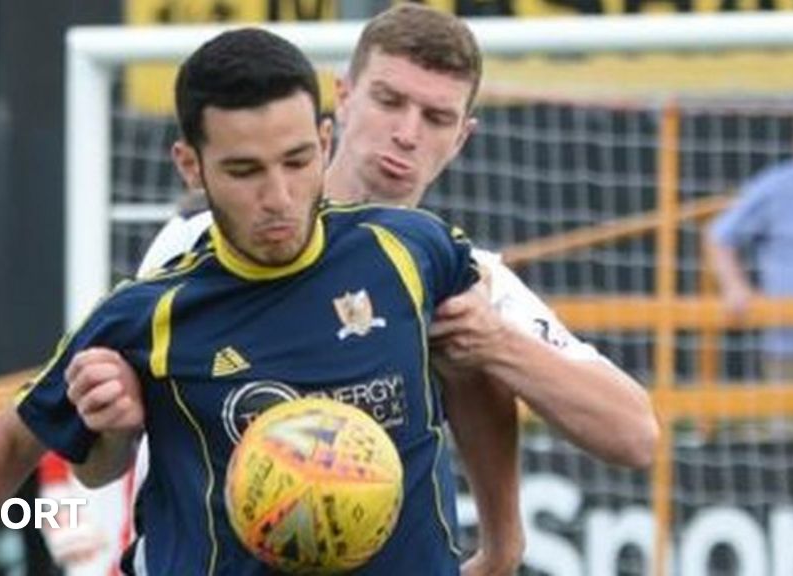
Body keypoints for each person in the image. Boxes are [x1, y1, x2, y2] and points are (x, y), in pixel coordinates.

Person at [55, 5, 659, 576]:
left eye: (436, 117)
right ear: (341, 98)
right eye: (388, 100)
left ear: (462, 137)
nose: (405, 133)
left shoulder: (458, 277)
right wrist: (109, 426)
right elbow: (99, 461)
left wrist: (495, 343)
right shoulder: (198, 240)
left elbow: (634, 436)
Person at [0, 26, 493, 575]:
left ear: (325, 138)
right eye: (245, 170)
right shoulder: (150, 313)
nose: (278, 196)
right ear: (190, 166)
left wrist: (504, 536)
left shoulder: (413, 250)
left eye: (297, 160)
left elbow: (481, 374)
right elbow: (11, 443)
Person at [706, 154, 793, 381]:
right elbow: (719, 236)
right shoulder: (778, 185)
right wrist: (734, 286)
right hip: (788, 345)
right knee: (785, 415)